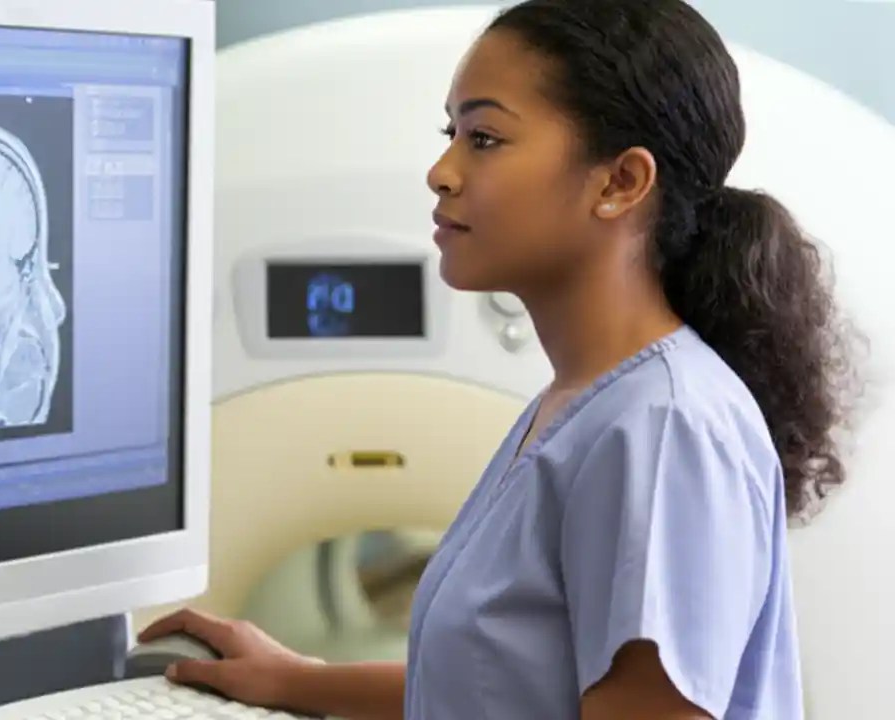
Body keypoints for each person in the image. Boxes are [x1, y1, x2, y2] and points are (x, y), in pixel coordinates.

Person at [141, 0, 860, 718]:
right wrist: (294, 681)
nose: (440, 171)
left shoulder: (661, 429)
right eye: (449, 132)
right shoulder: (583, 405)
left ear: (620, 183)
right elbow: (500, 692)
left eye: (483, 138)